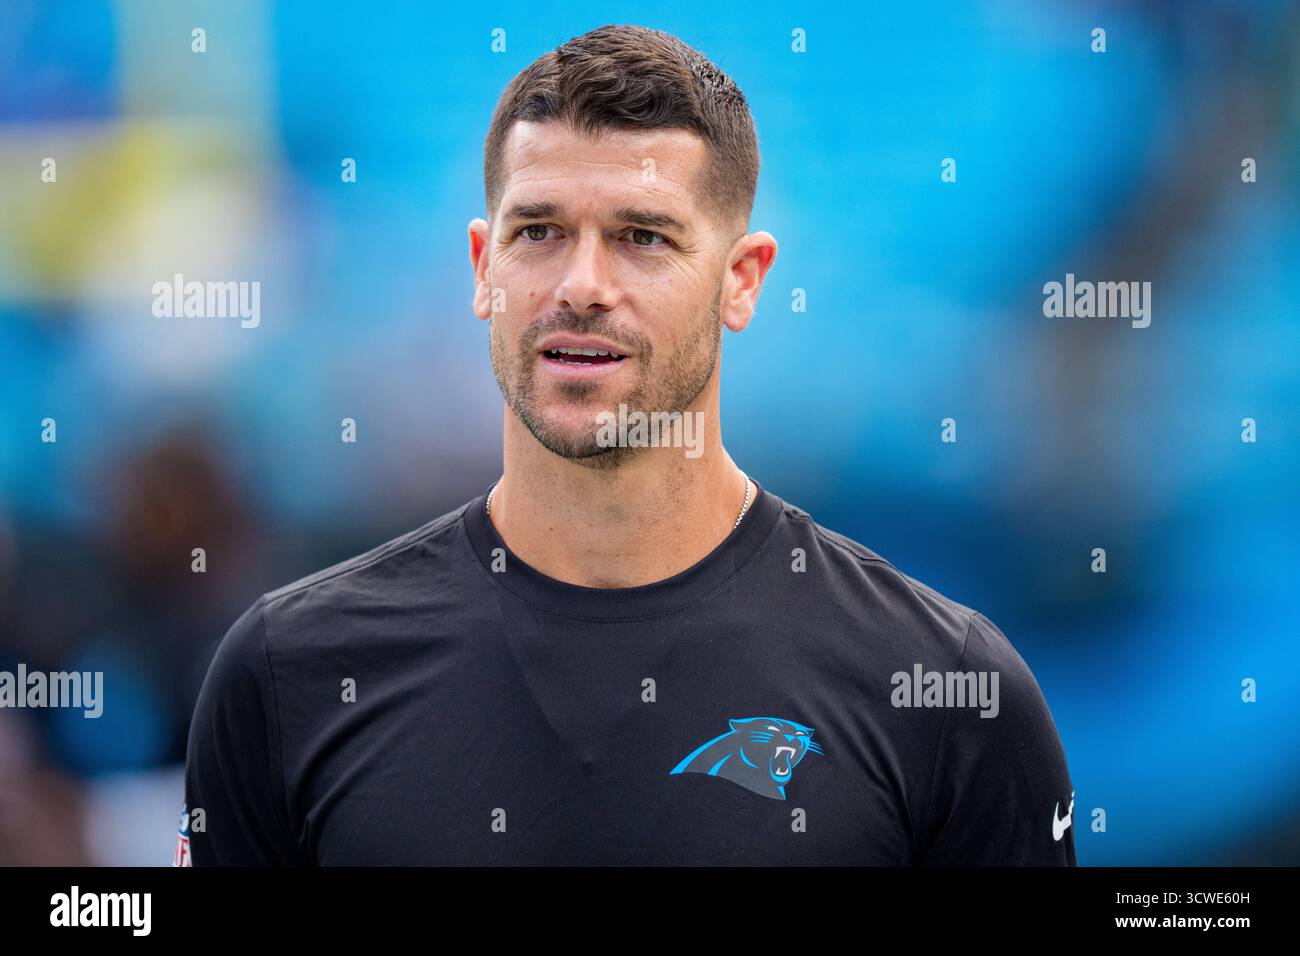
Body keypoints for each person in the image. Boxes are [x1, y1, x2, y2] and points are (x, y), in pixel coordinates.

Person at [181, 24, 1076, 865]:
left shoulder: (941, 687)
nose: (581, 285)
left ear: (741, 280)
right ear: (483, 268)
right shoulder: (290, 674)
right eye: (539, 232)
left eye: (642, 237)